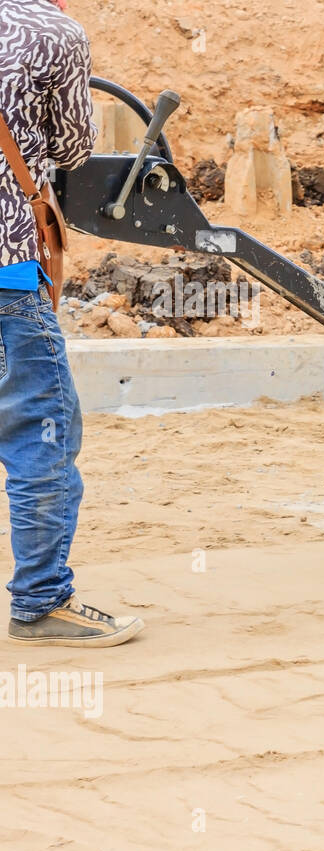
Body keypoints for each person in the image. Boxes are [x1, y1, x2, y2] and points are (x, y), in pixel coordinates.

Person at [1, 0, 143, 647]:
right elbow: (74, 148)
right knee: (41, 437)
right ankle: (41, 602)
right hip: (8, 278)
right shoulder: (51, 31)